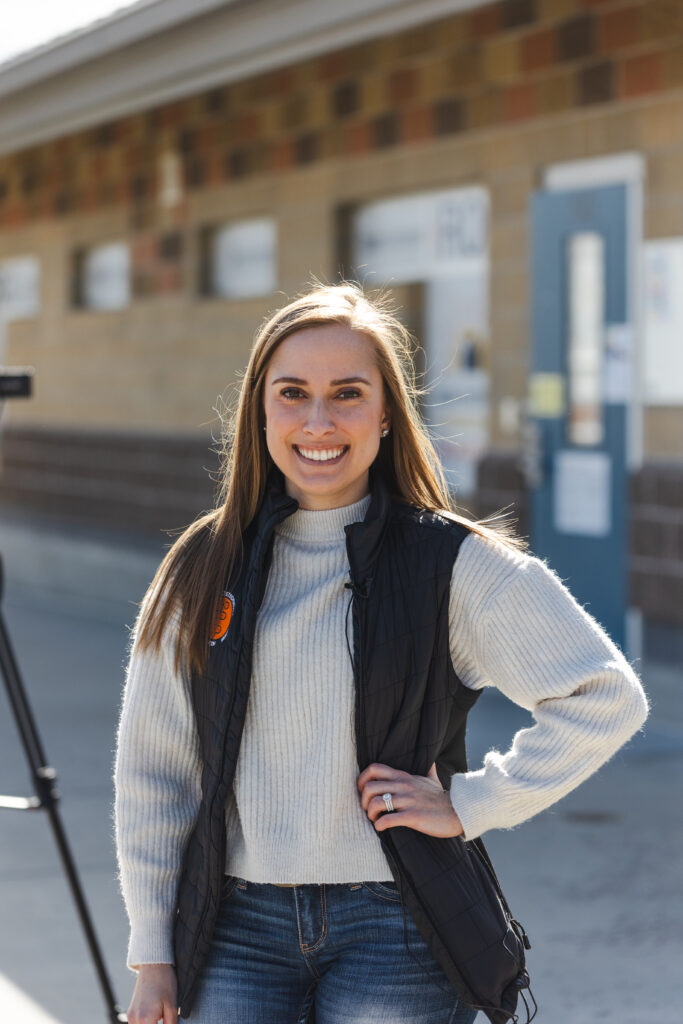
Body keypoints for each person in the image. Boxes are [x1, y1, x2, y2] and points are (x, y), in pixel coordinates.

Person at [114, 282, 649, 1024]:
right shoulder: (202, 565)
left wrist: (470, 805)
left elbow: (604, 696)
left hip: (395, 927)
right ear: (260, 412)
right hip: (232, 927)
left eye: (347, 393)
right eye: (292, 393)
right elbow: (154, 772)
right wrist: (152, 955)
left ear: (387, 415)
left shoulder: (452, 563)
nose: (318, 421)